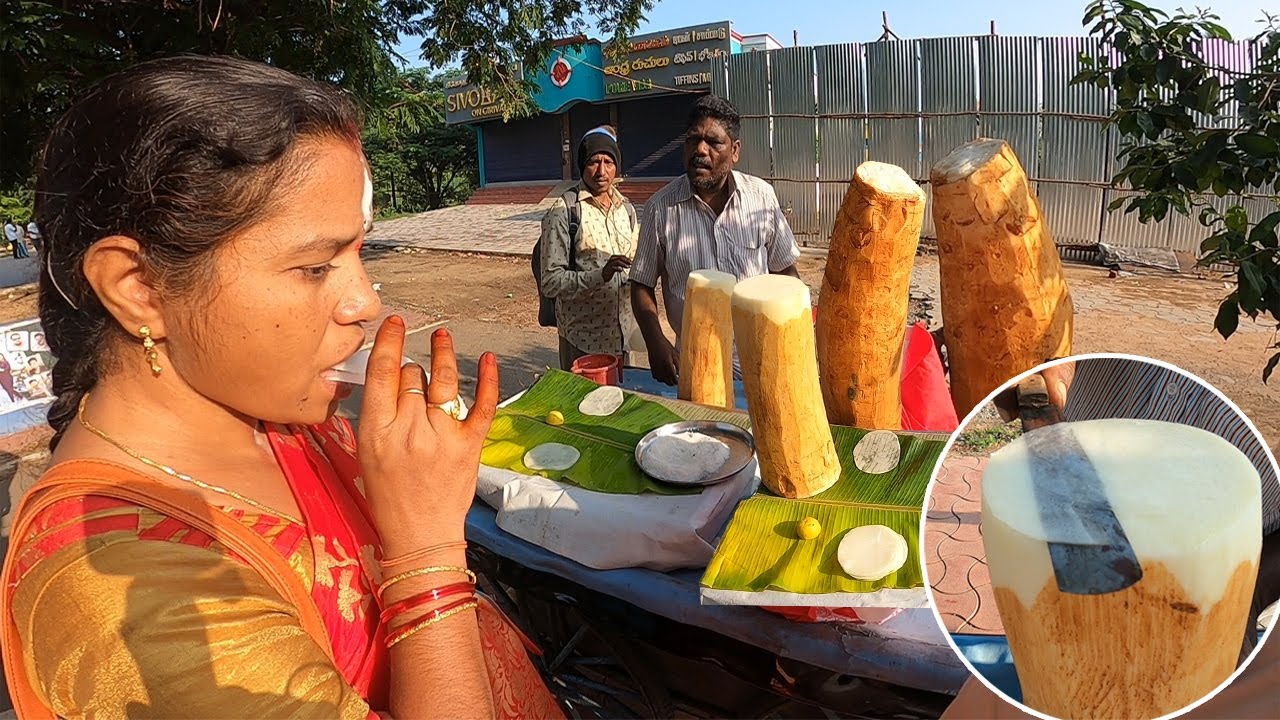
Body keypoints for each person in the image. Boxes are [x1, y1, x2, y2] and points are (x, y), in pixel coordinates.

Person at [0, 56, 562, 719]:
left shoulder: (283, 416)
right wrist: (427, 554)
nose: (363, 302)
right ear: (139, 288)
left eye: (360, 254)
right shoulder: (118, 588)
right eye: (317, 266)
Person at [946, 356, 1280, 719]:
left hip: (1224, 611)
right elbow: (1043, 336)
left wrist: (1242, 596)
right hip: (1066, 524)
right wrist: (1037, 355)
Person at [630, 95, 801, 386]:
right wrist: (655, 340)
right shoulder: (661, 208)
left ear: (734, 150)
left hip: (763, 362)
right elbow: (641, 284)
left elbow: (785, 272)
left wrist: (795, 337)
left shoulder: (761, 198)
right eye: (692, 140)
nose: (700, 150)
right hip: (695, 367)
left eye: (713, 142)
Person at [538, 126, 640, 371]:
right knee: (584, 408)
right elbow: (550, 281)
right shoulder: (565, 211)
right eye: (594, 162)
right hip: (583, 342)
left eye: (608, 161)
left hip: (624, 339)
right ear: (583, 164)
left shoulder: (626, 209)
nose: (602, 171)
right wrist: (600, 276)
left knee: (624, 406)